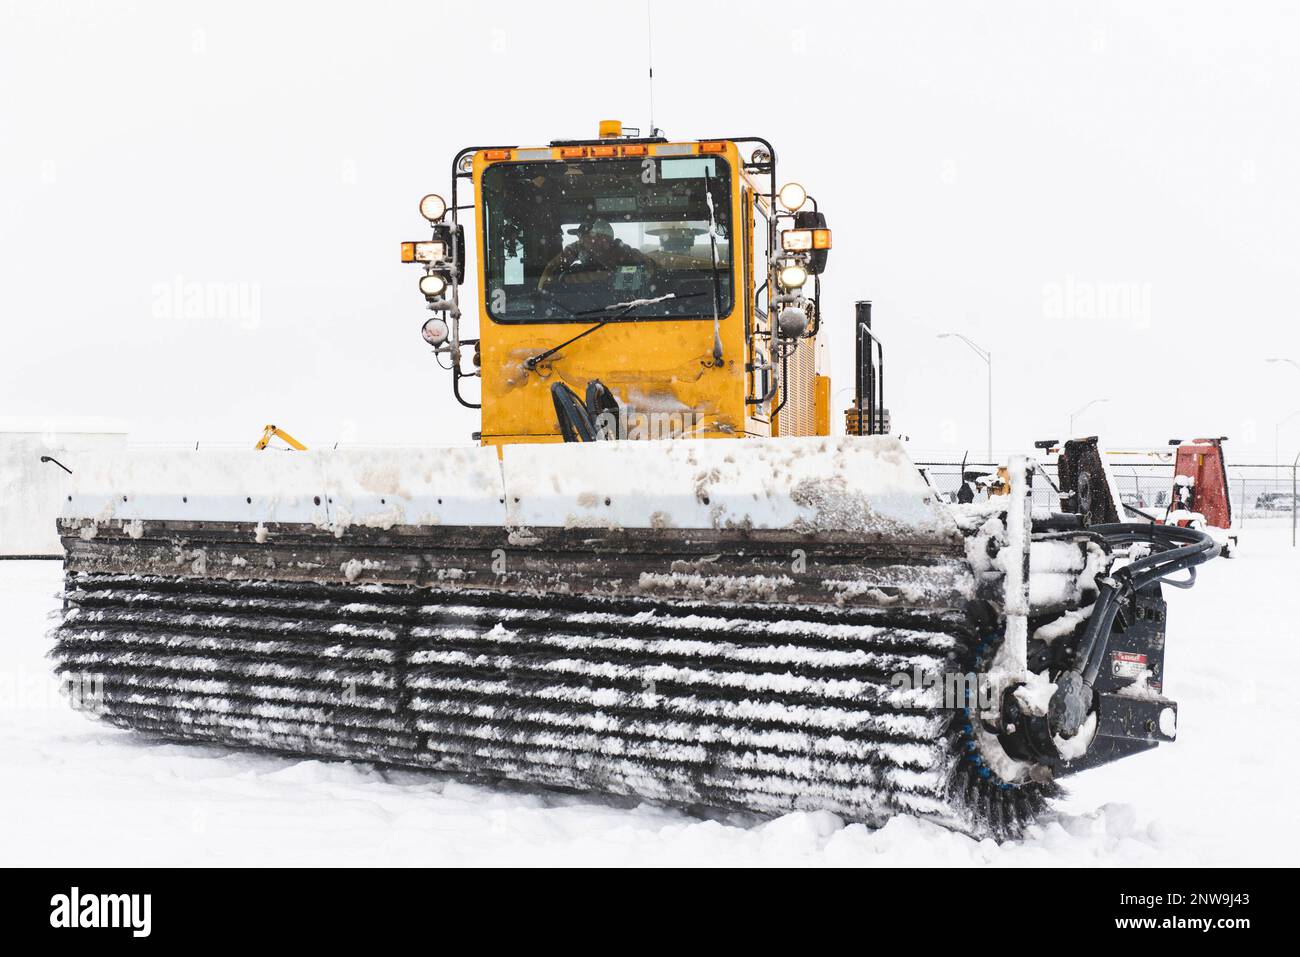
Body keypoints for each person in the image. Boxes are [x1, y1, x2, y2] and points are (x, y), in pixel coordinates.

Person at [539, 219, 650, 289]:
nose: (581, 240)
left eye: (584, 237)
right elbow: (552, 266)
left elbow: (646, 265)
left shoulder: (624, 253)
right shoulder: (576, 258)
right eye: (579, 237)